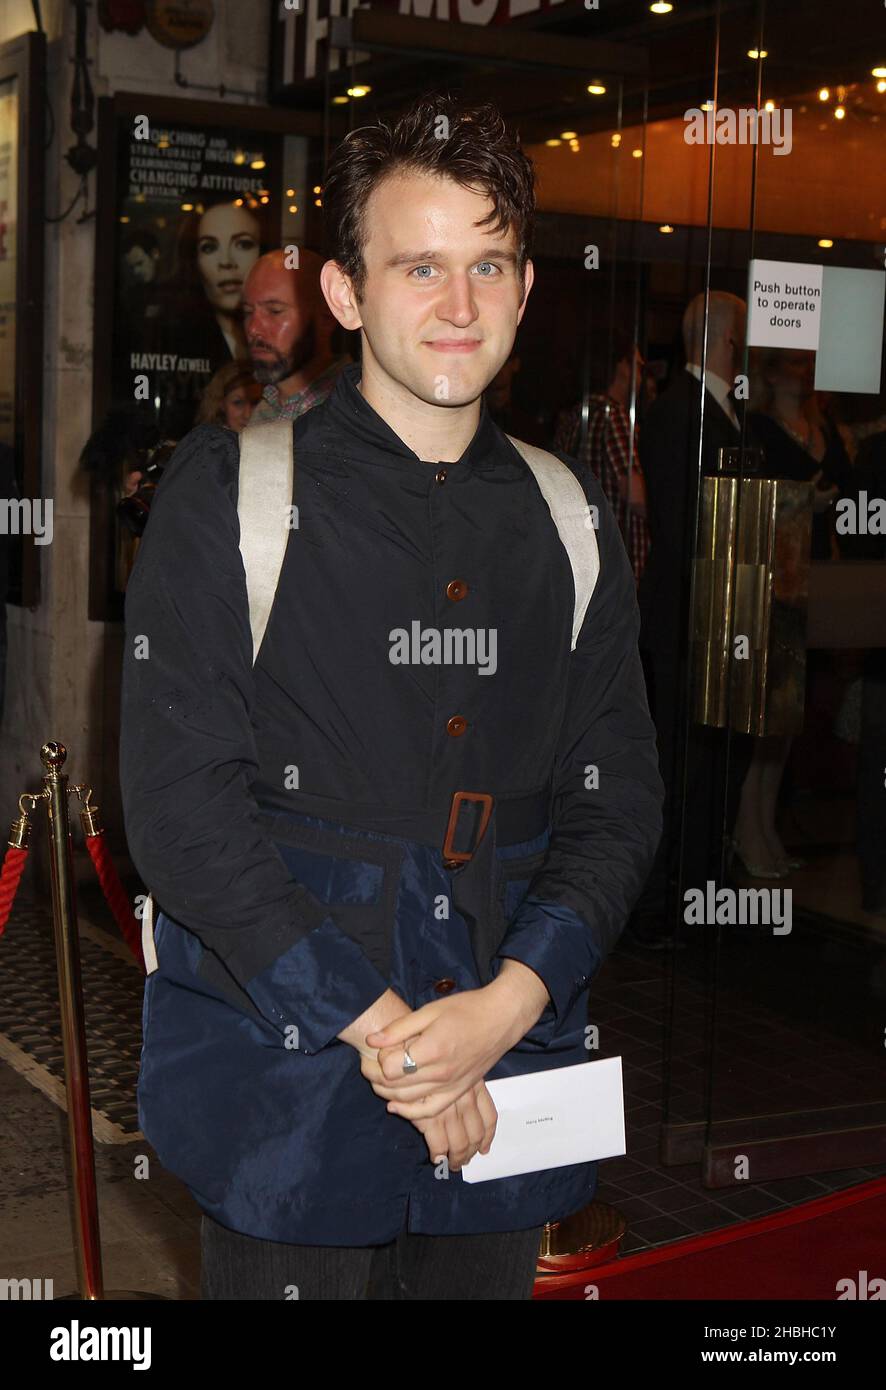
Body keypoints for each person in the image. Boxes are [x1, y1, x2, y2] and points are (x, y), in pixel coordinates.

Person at [119, 92, 664, 1302]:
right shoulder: (235, 495)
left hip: (511, 1070)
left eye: (489, 264)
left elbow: (616, 800)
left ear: (525, 288)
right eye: (420, 266)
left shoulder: (569, 519)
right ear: (346, 293)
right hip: (290, 1084)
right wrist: (399, 1036)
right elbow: (180, 811)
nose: (459, 305)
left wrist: (503, 1006)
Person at [631, 290, 753, 944]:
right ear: (724, 342)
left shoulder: (723, 410)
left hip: (716, 615)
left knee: (708, 762)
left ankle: (698, 892)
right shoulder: (681, 409)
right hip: (687, 616)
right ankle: (660, 905)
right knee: (679, 763)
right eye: (742, 341)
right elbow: (682, 529)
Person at [553, 330, 651, 584]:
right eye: (639, 366)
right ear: (622, 367)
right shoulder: (615, 416)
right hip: (616, 556)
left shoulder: (574, 416)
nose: (641, 376)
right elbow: (635, 493)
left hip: (576, 551)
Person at [242, 247, 350, 422]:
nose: (253, 329)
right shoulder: (265, 408)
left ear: (327, 318)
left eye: (274, 311)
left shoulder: (352, 411)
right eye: (247, 312)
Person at [196, 360, 261, 432]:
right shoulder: (209, 440)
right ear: (221, 403)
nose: (247, 415)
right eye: (238, 403)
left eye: (255, 403)